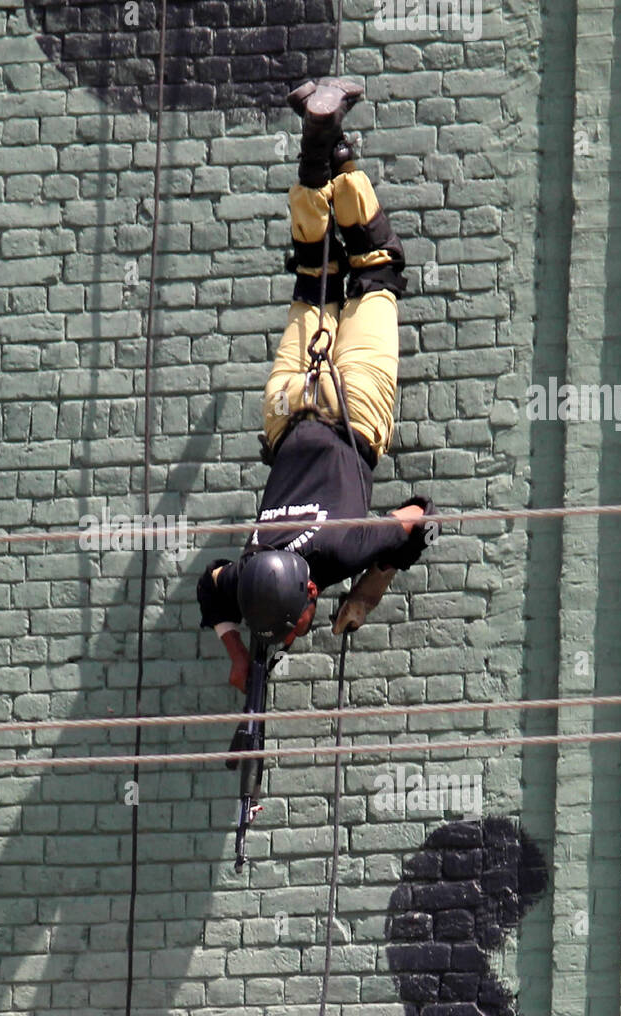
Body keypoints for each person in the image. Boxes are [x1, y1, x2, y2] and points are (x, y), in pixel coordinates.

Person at [198, 77, 436, 688]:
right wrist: (237, 657)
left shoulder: (337, 551)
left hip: (352, 408)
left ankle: (337, 154)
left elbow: (418, 514)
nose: (303, 623)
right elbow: (210, 587)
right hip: (285, 408)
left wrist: (370, 587)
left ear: (307, 589)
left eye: (302, 616)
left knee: (378, 271)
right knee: (314, 277)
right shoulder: (247, 569)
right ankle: (318, 142)